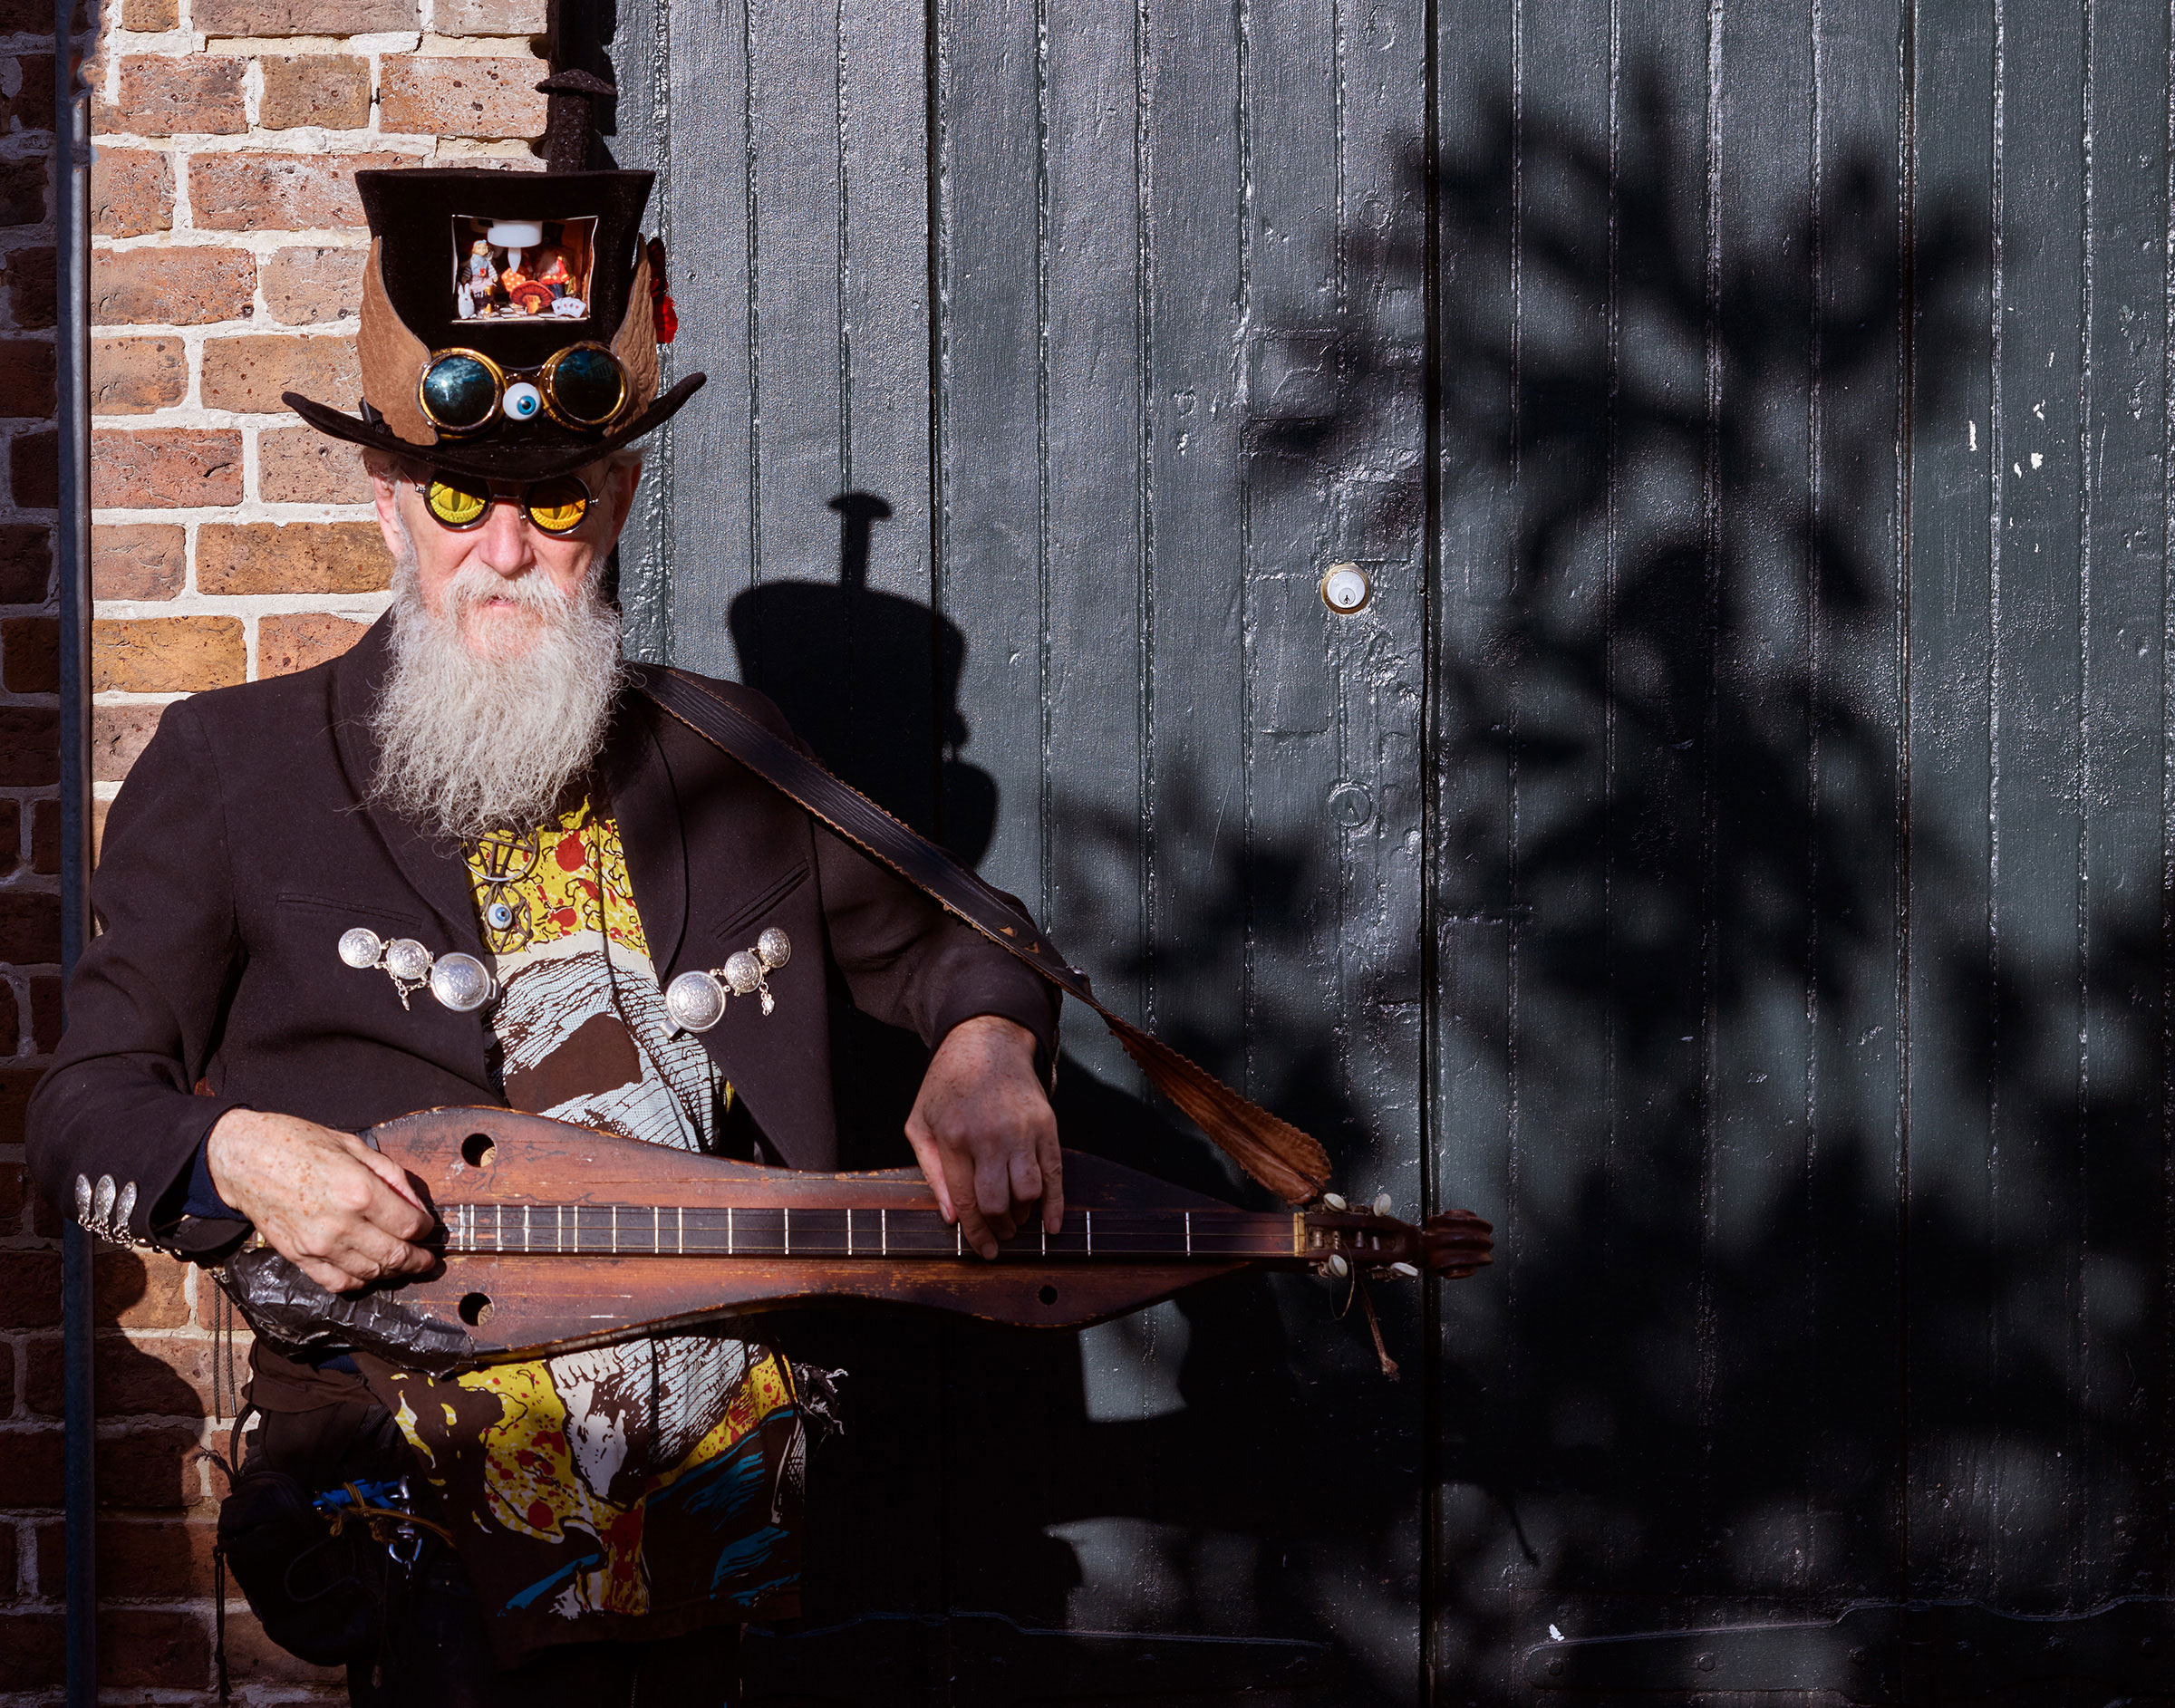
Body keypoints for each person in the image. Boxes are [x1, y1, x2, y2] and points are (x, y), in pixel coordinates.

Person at [27, 165, 1062, 1705]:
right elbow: (79, 1113)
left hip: (729, 1546)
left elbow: (967, 941)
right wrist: (235, 1150)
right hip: (422, 1552)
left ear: (618, 502)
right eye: (459, 496)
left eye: (556, 498)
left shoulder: (731, 750)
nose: (504, 547)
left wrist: (984, 1042)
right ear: (388, 496)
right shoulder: (233, 767)